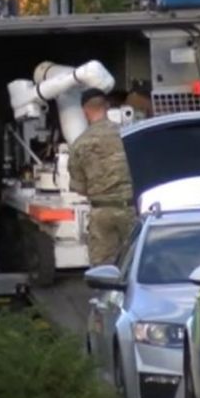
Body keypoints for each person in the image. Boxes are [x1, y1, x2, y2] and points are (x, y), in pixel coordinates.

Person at [67, 88, 136, 266]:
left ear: (84, 111)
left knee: (102, 268)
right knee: (135, 261)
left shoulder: (79, 144)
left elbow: (79, 188)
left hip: (101, 213)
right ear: (107, 106)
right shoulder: (128, 135)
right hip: (130, 209)